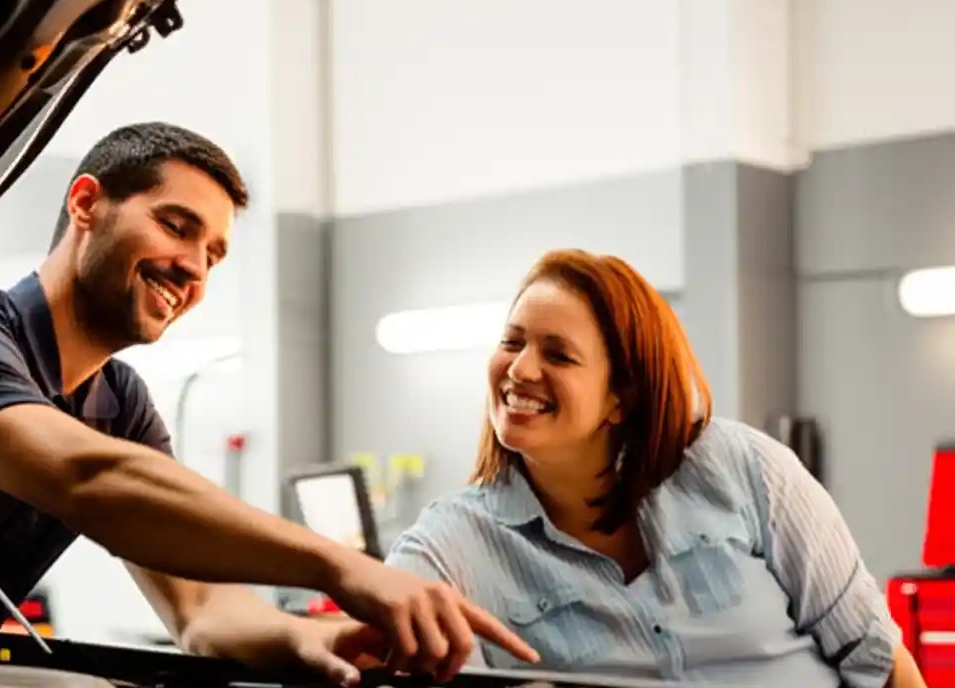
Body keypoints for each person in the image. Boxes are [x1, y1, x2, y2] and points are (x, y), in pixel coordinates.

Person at [0, 122, 536, 686]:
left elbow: (199, 611)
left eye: (213, 254)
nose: (194, 269)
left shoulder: (119, 401)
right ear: (86, 204)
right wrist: (346, 568)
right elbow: (93, 482)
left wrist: (313, 639)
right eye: (176, 227)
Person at [383, 249, 925, 687]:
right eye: (512, 342)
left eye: (559, 355)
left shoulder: (746, 469)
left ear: (622, 397)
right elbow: (379, 643)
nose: (522, 369)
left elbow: (877, 661)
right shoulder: (449, 548)